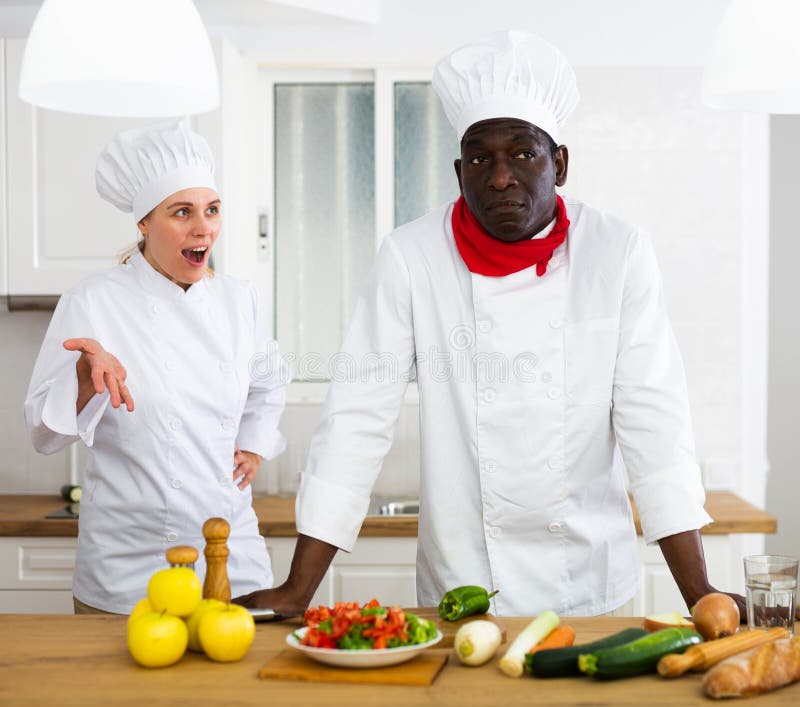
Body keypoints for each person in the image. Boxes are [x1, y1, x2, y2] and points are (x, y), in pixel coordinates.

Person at [237, 31, 744, 617]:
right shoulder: (411, 256)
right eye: (481, 157)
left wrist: (700, 592)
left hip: (586, 582)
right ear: (459, 171)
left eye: (523, 154)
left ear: (560, 163)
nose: (500, 176)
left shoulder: (617, 251)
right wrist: (300, 588)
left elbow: (654, 418)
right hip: (464, 577)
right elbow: (356, 417)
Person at [24, 119, 289, 614]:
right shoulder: (94, 300)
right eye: (181, 212)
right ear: (144, 223)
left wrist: (253, 444)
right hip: (127, 569)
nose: (203, 227)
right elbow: (43, 432)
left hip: (230, 561)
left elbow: (269, 381)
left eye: (211, 210)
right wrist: (83, 381)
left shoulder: (239, 300)